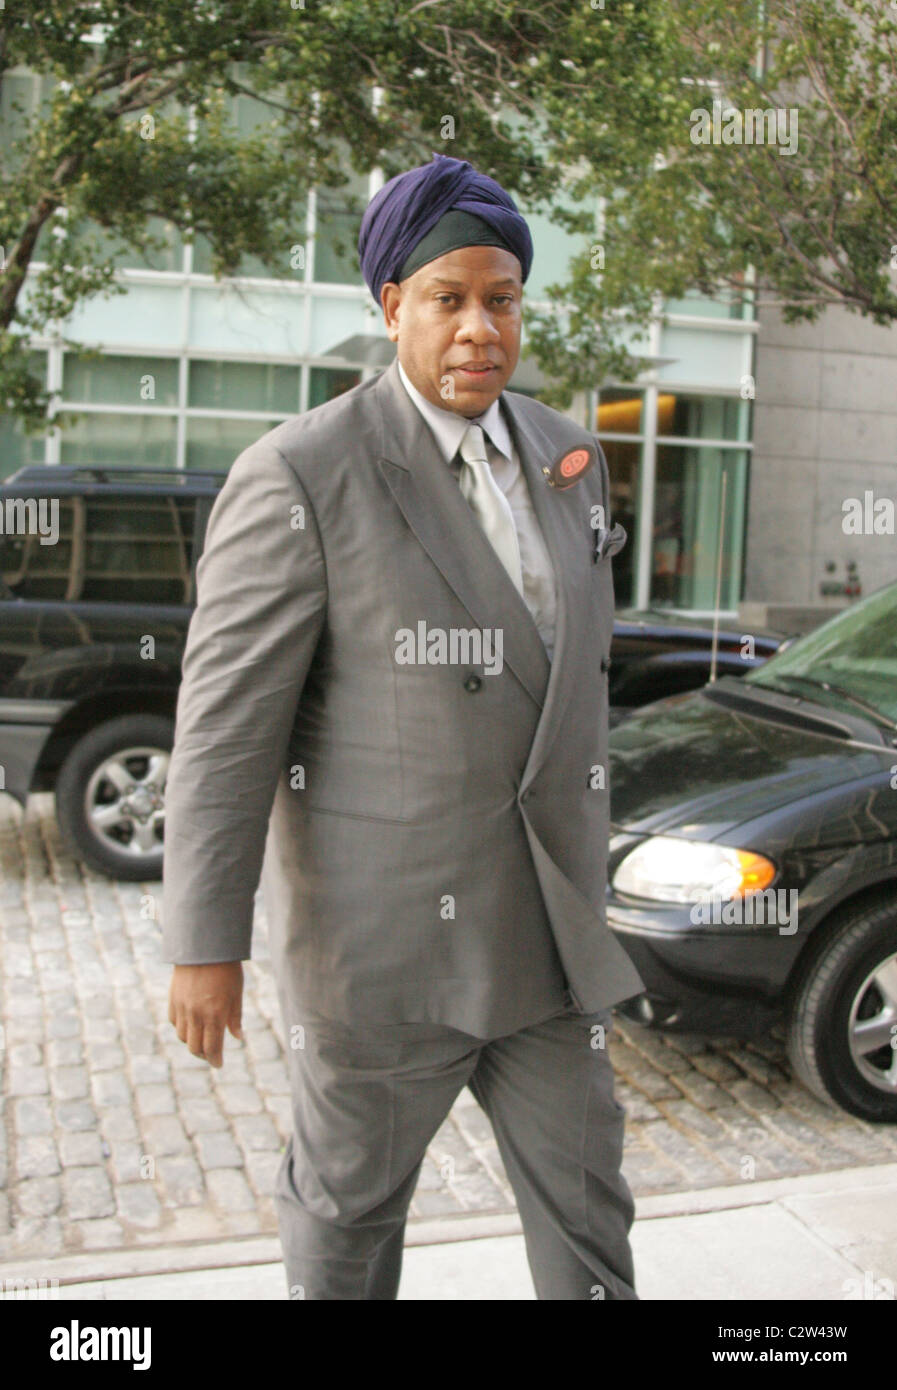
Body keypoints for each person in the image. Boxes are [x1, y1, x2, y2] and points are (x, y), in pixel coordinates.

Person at [162, 152, 645, 1300]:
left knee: (591, 1224)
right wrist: (202, 939)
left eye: (503, 299)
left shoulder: (571, 461)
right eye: (450, 299)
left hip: (548, 945)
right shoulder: (303, 472)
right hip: (384, 961)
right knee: (348, 1231)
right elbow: (226, 728)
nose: (481, 327)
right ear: (393, 308)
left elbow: (570, 682)